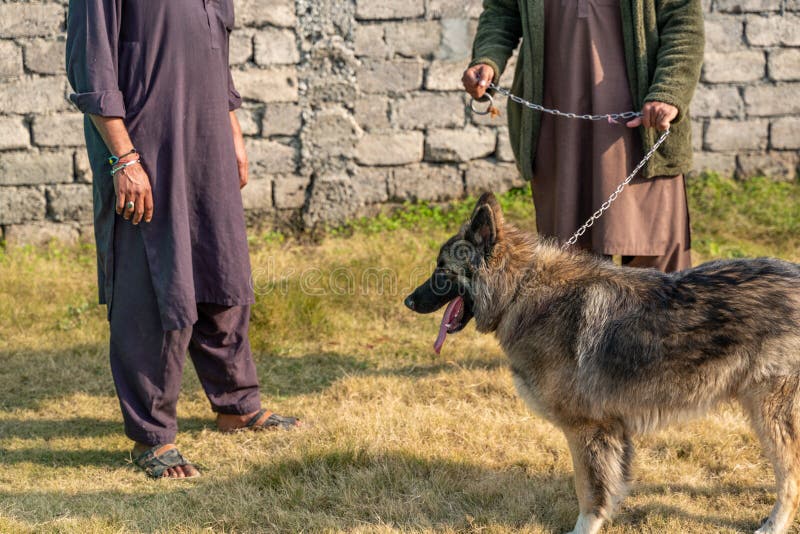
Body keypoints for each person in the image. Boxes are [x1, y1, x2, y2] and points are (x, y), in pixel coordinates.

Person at [66, 0, 300, 479]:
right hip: (145, 145)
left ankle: (236, 406)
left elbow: (216, 54)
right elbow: (93, 67)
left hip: (207, 136)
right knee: (152, 281)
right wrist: (124, 159)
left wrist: (232, 129)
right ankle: (152, 436)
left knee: (222, 268)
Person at [463, 0, 704, 272]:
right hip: (559, 132)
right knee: (569, 270)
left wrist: (669, 92)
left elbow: (682, 20)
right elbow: (502, 11)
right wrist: (488, 58)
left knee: (657, 269)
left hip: (645, 128)